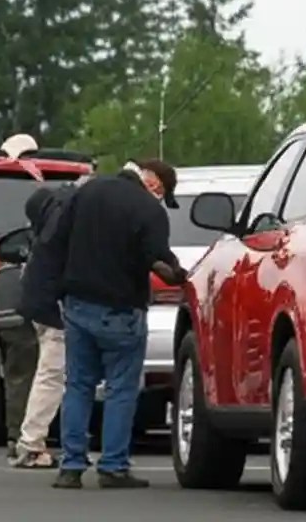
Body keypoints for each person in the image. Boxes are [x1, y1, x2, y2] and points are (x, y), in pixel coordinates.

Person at [51, 159, 186, 490]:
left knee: (78, 385)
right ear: (154, 184)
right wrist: (179, 274)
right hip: (121, 309)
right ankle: (112, 466)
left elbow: (56, 239)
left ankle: (70, 466)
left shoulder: (87, 192)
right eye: (163, 193)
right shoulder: (148, 210)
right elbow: (156, 257)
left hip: (78, 303)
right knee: (121, 390)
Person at [10, 182, 80, 469]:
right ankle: (31, 443)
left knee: (48, 373)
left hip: (37, 305)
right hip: (54, 309)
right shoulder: (60, 227)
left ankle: (31, 441)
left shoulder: (44, 232)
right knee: (52, 374)